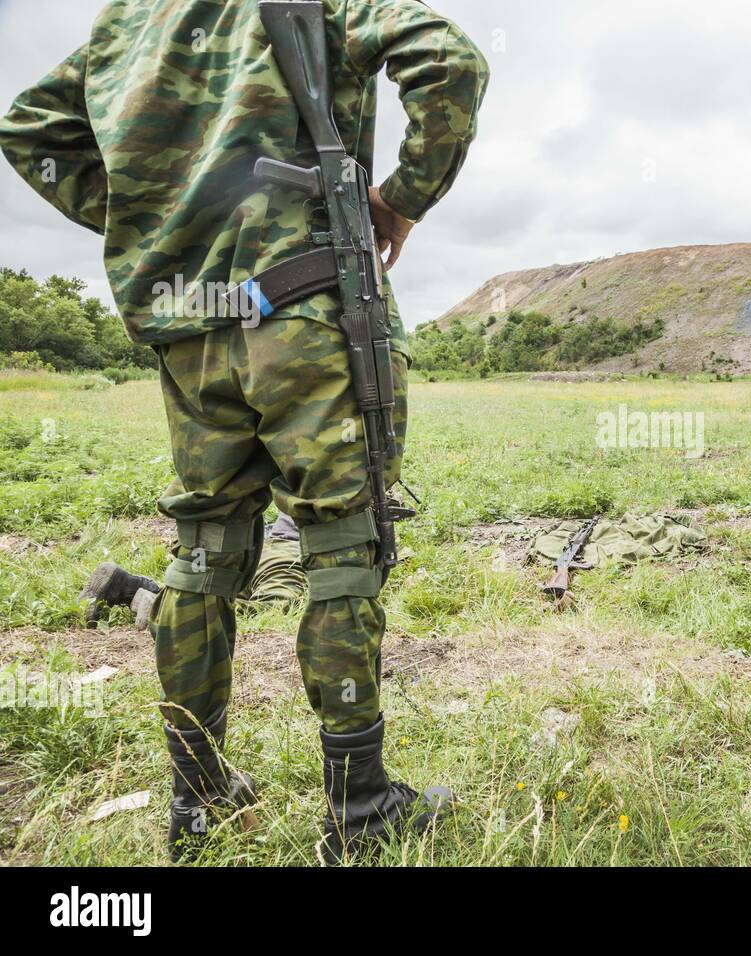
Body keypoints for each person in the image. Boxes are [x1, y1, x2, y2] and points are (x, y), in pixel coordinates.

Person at [0, 0, 488, 863]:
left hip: (189, 326)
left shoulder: (132, 22)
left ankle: (197, 802)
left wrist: (155, 221)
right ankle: (361, 811)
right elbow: (449, 60)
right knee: (339, 546)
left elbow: (28, 126)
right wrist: (400, 202)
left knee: (202, 553)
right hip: (298, 306)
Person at [81, 514, 307, 627]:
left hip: (253, 544)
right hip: (290, 551)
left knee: (217, 592)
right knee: (277, 605)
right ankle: (169, 610)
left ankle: (129, 587)